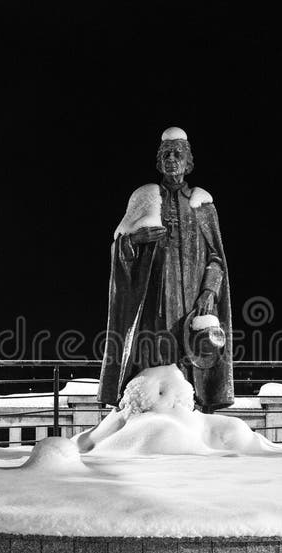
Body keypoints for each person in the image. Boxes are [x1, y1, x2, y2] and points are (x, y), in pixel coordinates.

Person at [98, 127, 234, 412]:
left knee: (189, 358)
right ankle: (148, 414)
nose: (172, 159)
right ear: (159, 161)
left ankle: (189, 415)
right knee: (152, 355)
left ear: (188, 161)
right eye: (167, 154)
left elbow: (216, 258)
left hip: (190, 303)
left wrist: (209, 291)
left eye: (178, 154)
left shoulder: (202, 205)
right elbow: (118, 247)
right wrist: (135, 239)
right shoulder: (146, 197)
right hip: (153, 302)